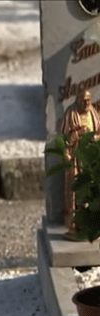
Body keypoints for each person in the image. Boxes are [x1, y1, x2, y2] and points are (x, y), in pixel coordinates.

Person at [60, 90, 100, 235]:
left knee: (91, 189)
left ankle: (91, 223)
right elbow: (65, 137)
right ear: (77, 100)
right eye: (83, 100)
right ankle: (74, 224)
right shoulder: (71, 113)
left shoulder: (93, 113)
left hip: (91, 158)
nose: (86, 103)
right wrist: (78, 134)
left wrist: (94, 138)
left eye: (88, 100)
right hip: (76, 157)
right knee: (76, 190)